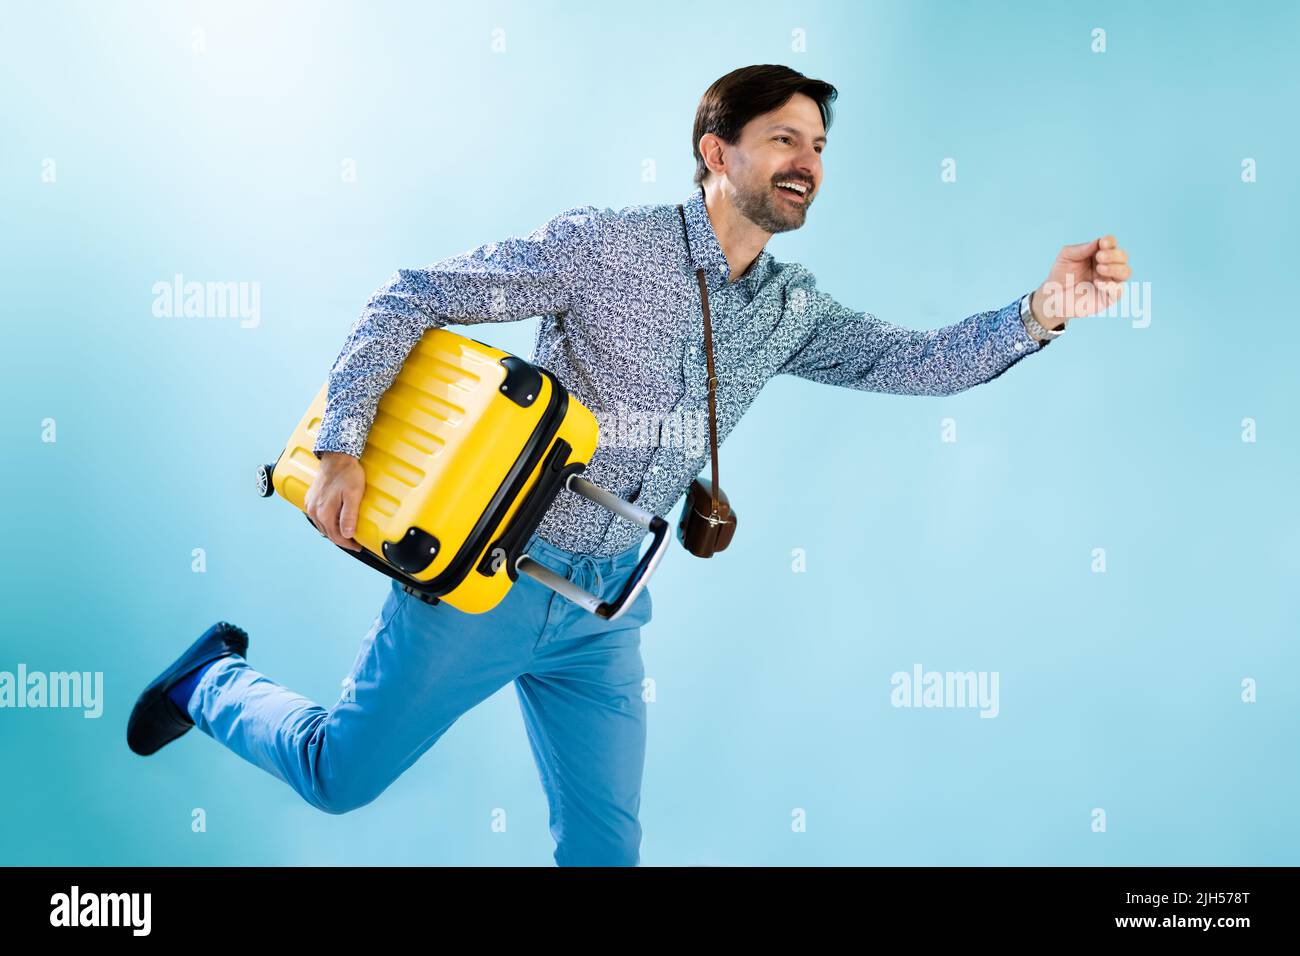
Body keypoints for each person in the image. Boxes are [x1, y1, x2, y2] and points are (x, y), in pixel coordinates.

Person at [127, 64, 1132, 866]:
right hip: (484, 584)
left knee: (606, 854)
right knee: (338, 776)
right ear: (715, 150)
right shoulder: (604, 246)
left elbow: (914, 363)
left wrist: (1040, 312)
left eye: (818, 148)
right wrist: (342, 445)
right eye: (784, 139)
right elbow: (408, 297)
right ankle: (213, 680)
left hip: (607, 616)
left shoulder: (792, 309)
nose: (807, 163)